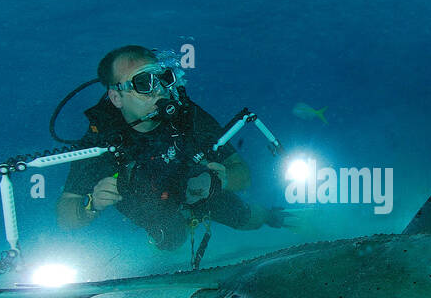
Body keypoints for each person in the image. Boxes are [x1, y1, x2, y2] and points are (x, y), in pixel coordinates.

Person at [56, 45, 290, 251]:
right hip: (146, 202)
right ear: (116, 97)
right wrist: (92, 203)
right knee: (171, 239)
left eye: (164, 78)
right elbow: (65, 217)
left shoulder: (187, 115)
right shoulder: (102, 139)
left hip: (195, 186)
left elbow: (243, 173)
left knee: (245, 218)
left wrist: (223, 179)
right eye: (143, 83)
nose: (158, 90)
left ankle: (272, 216)